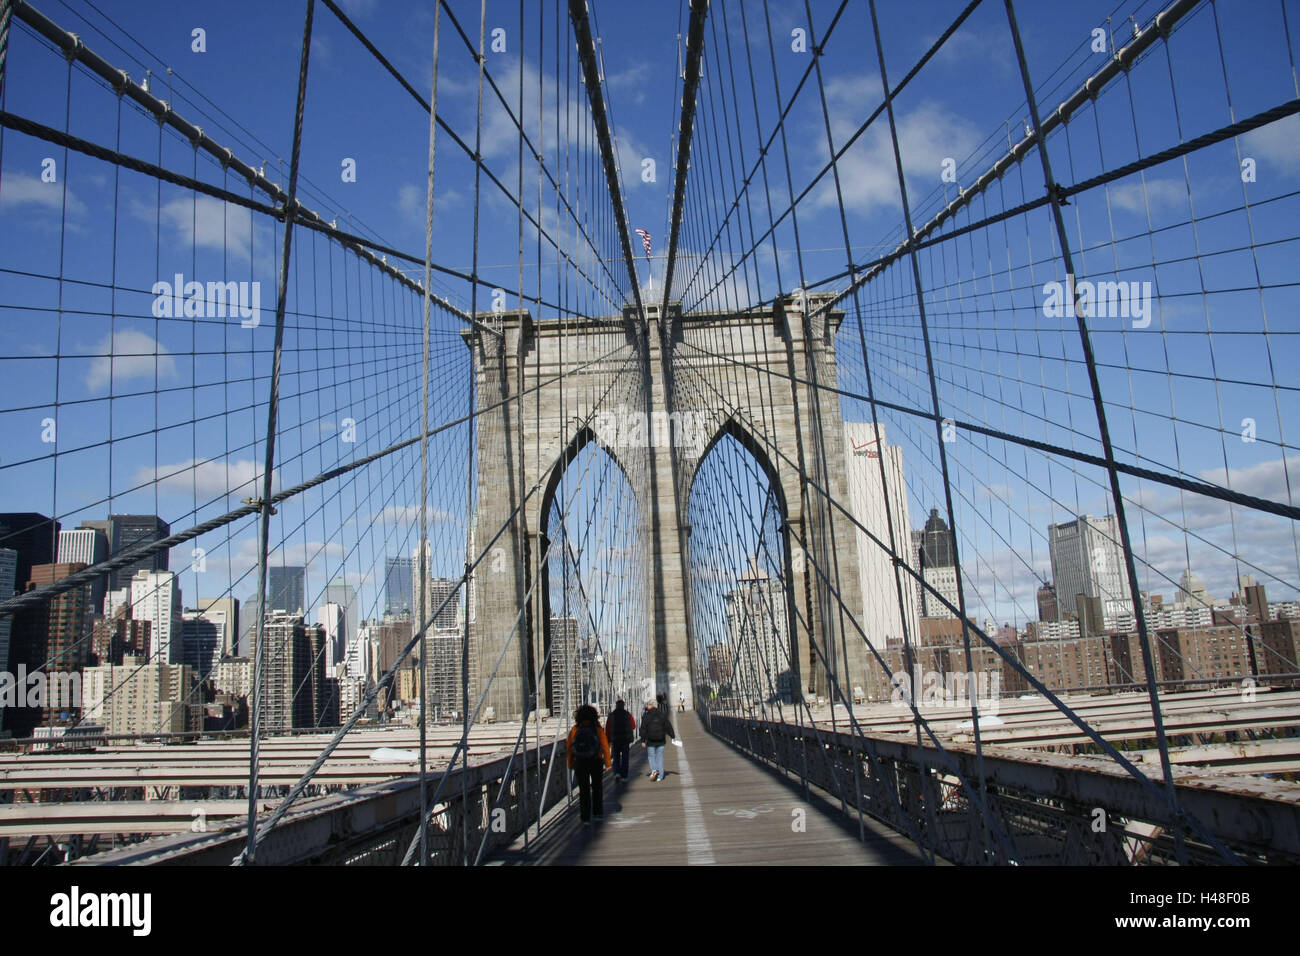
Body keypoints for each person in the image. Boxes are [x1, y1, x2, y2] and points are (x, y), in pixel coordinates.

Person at [567, 704, 611, 826]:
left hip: (580, 762)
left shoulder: (575, 729)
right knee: (597, 787)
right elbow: (605, 746)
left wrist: (570, 763)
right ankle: (598, 813)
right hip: (595, 760)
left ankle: (585, 817)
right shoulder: (597, 728)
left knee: (584, 789)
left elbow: (570, 748)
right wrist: (608, 763)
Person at [639, 697, 676, 782]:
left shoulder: (646, 715)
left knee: (651, 756)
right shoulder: (661, 714)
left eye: (648, 704)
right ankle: (661, 776)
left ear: (651, 706)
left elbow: (643, 729)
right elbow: (668, 726)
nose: (647, 706)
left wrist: (643, 740)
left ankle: (654, 770)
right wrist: (672, 736)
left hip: (650, 740)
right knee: (660, 757)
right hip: (661, 739)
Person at [604, 699, 636, 782]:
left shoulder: (611, 715)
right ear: (623, 705)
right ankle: (624, 776)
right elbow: (633, 726)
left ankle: (617, 773)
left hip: (615, 739)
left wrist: (608, 739)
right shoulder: (627, 714)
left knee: (616, 757)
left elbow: (607, 728)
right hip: (625, 739)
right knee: (625, 758)